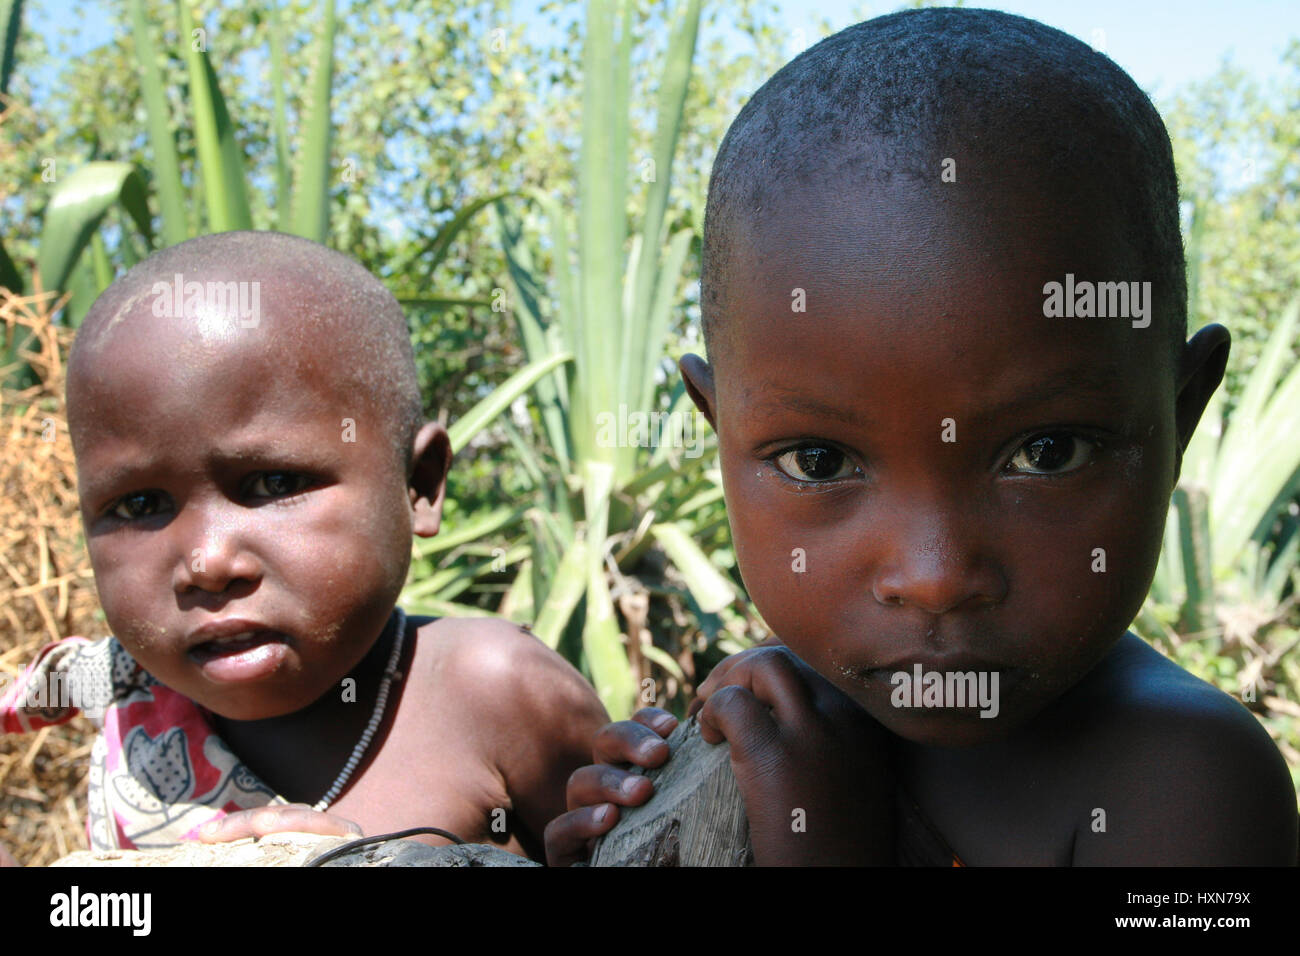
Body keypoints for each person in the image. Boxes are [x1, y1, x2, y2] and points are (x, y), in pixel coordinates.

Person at [545, 8, 1299, 865]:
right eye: (818, 461)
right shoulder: (767, 726)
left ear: (1183, 418)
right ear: (718, 434)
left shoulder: (1187, 783)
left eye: (1047, 453)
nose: (935, 577)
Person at [1, 231, 607, 863]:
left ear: (418, 486)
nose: (207, 563)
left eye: (274, 483)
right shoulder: (129, 706)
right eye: (139, 505)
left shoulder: (497, 692)